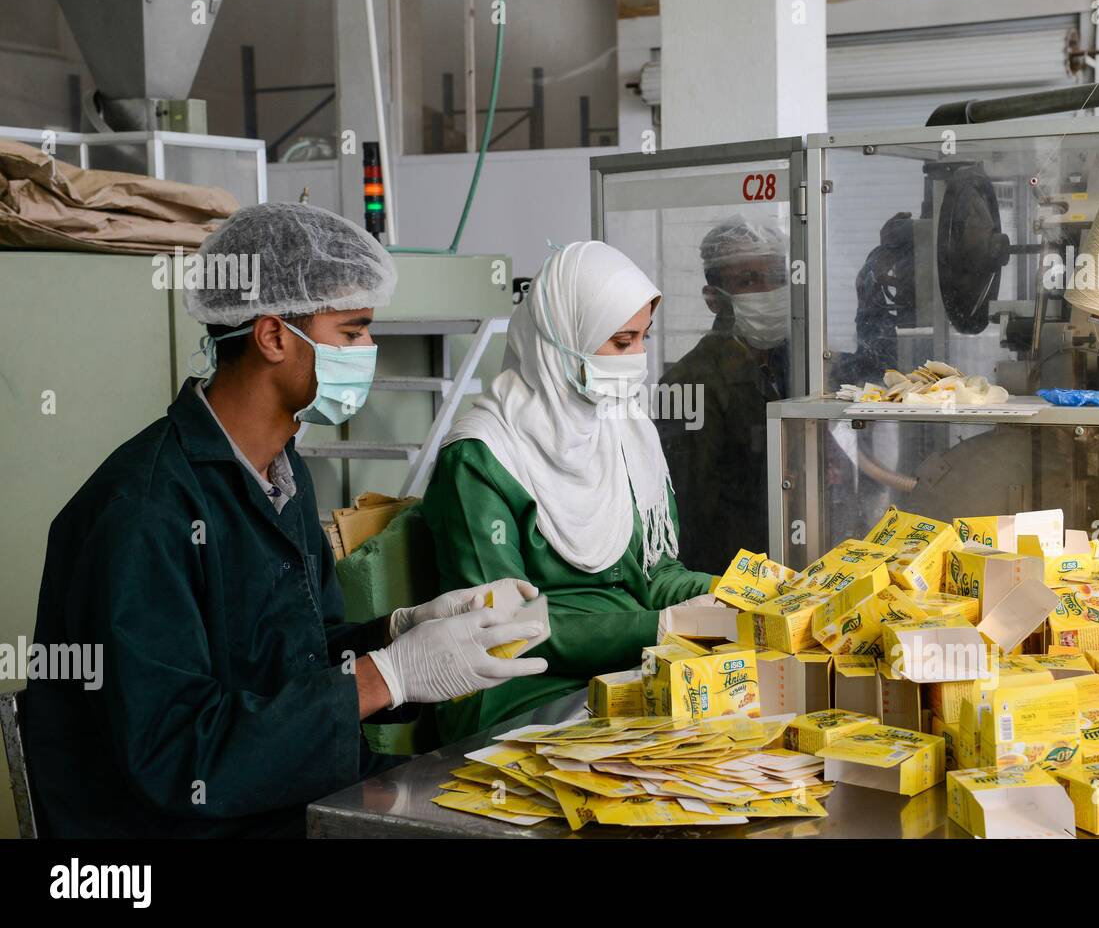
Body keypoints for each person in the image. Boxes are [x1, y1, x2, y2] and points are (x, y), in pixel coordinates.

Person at [25, 202, 545, 837]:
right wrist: (388, 677)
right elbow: (179, 756)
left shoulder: (280, 476)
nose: (370, 351)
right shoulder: (145, 511)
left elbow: (295, 663)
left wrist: (404, 634)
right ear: (273, 336)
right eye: (352, 333)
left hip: (281, 791)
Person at [424, 240, 716, 742]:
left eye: (644, 338)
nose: (639, 359)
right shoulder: (480, 456)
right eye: (622, 343)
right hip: (522, 691)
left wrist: (734, 596)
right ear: (559, 338)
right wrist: (662, 627)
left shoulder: (624, 432)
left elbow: (657, 574)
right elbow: (503, 630)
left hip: (632, 663)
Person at [655, 216, 792, 572]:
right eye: (749, 280)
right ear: (714, 300)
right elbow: (692, 514)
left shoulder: (798, 362)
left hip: (794, 560)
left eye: (777, 278)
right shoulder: (689, 383)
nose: (769, 291)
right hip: (735, 577)